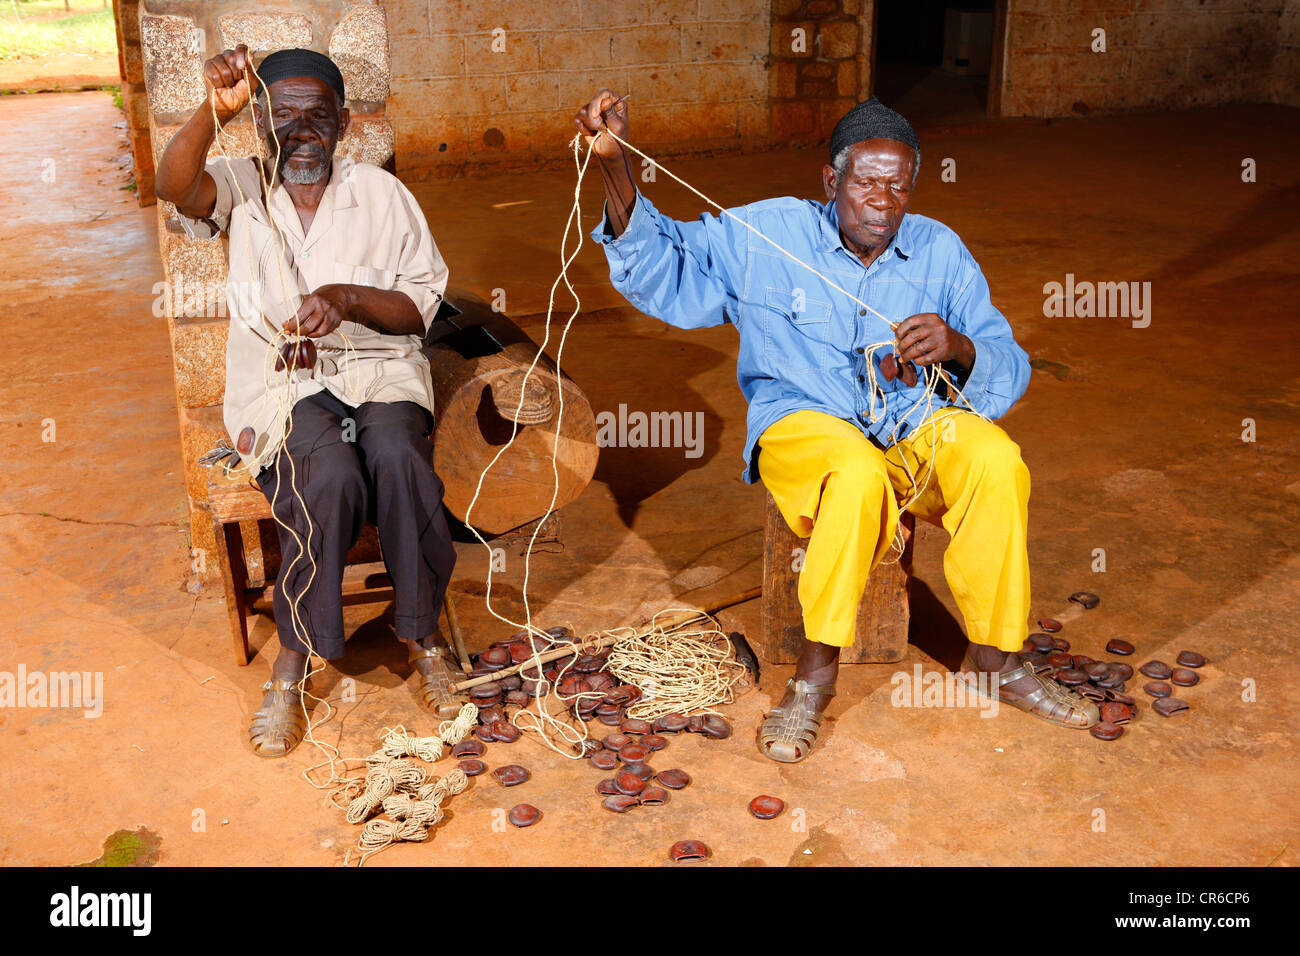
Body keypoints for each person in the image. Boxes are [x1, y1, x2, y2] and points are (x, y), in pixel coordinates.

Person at [574, 90, 1098, 763]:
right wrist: (616, 167)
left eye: (899, 185)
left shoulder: (939, 250)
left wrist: (959, 347)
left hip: (913, 423)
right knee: (853, 475)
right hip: (806, 421)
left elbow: (1009, 366)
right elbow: (663, 258)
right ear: (832, 181)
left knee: (996, 460)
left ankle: (998, 659)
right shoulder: (768, 234)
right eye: (867, 182)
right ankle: (815, 675)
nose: (883, 200)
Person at [156, 46, 462, 757]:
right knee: (325, 475)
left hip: (381, 369)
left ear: (344, 123)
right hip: (283, 382)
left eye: (316, 117)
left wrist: (348, 299)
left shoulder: (381, 195)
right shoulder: (240, 185)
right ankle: (292, 667)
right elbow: (174, 185)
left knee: (397, 458)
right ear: (261, 119)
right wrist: (214, 109)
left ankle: (422, 637)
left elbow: (420, 306)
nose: (300, 132)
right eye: (283, 116)